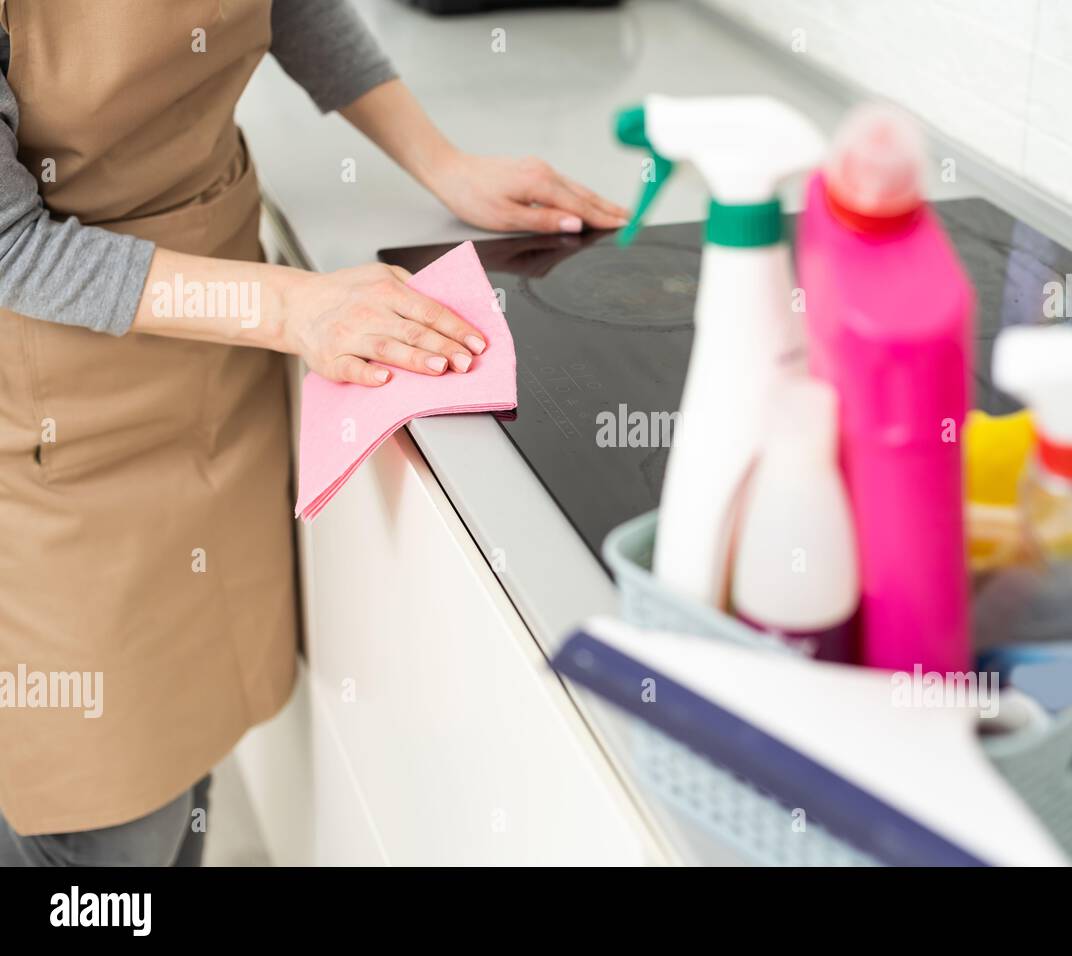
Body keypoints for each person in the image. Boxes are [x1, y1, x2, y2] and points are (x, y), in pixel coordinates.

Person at [0, 0, 627, 866]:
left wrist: (441, 164)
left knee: (186, 738)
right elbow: (9, 248)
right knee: (106, 799)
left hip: (217, 355)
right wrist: (295, 305)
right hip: (61, 417)